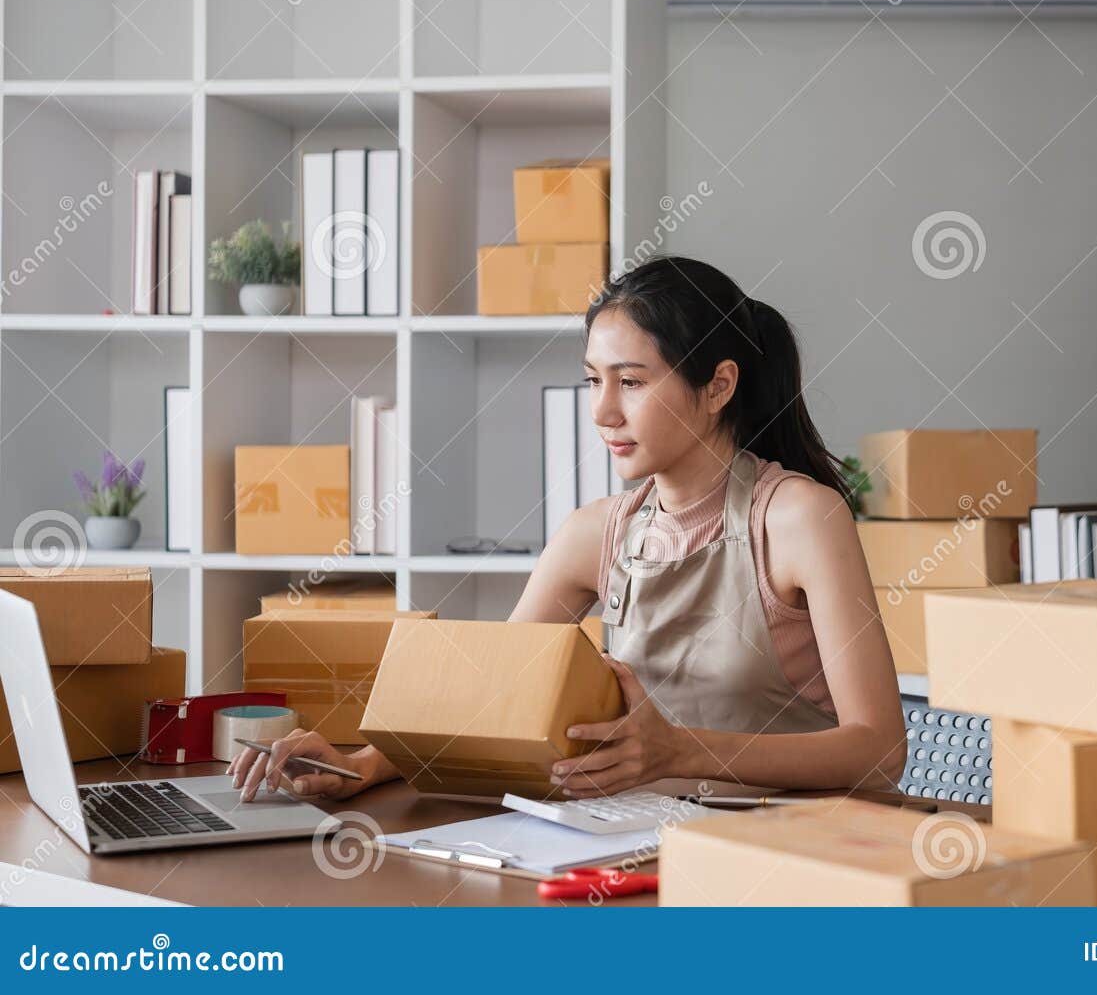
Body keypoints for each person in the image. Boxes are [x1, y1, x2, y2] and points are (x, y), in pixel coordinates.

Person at [232, 256, 906, 803]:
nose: (603, 412)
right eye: (591, 381)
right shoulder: (594, 534)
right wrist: (364, 762)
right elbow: (493, 698)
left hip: (800, 856)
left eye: (632, 382)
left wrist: (681, 749)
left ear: (719, 385)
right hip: (649, 843)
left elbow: (878, 752)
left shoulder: (799, 518)